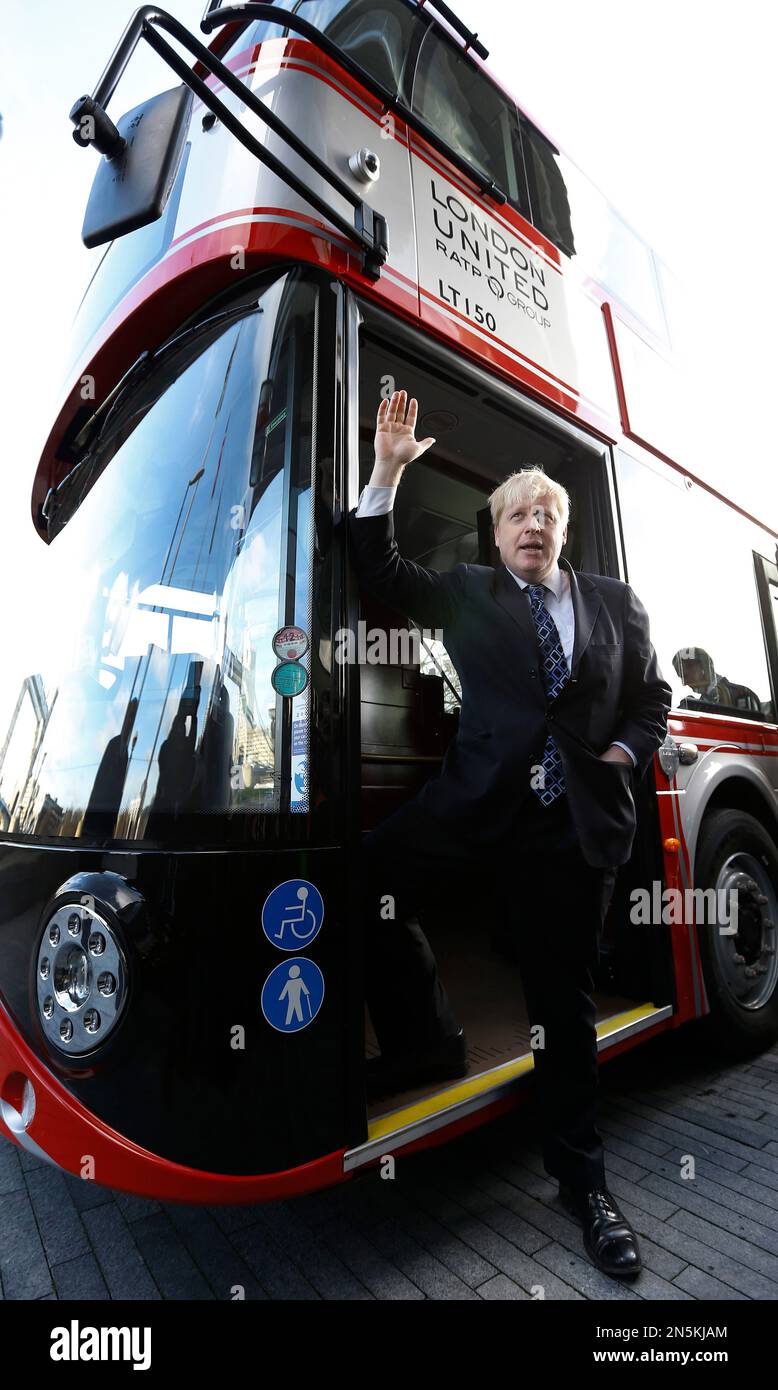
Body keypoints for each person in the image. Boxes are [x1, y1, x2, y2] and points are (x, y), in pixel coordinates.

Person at [348, 390, 673, 1281]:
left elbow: (653, 700)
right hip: (473, 808)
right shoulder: (470, 593)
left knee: (559, 1006)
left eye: (546, 512)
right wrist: (387, 470)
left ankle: (584, 1185)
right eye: (516, 514)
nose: (532, 523)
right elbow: (380, 572)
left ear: (562, 530)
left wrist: (621, 749)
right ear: (495, 536)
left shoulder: (616, 605)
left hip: (570, 833)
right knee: (368, 879)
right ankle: (427, 1039)